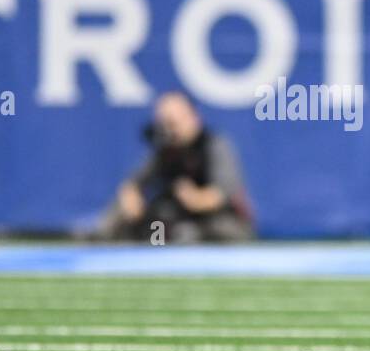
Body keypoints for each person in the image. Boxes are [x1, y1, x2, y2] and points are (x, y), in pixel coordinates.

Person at [96, 93, 253, 243]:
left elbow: (223, 192)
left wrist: (197, 198)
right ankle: (98, 237)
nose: (171, 129)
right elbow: (134, 182)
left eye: (174, 122)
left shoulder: (213, 145)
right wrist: (132, 196)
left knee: (195, 232)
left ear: (193, 117)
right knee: (133, 215)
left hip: (213, 220)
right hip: (172, 218)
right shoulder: (164, 149)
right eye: (165, 123)